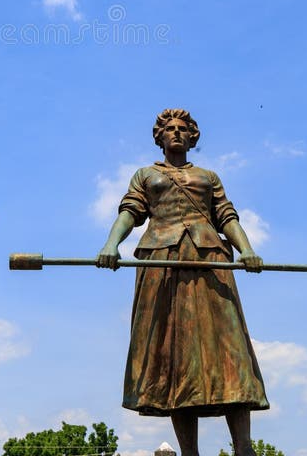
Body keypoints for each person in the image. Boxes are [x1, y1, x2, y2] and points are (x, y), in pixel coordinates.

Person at [97, 108, 269, 456]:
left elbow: (226, 215)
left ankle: (244, 447)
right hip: (163, 265)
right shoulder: (145, 175)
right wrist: (111, 244)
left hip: (209, 261)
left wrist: (247, 249)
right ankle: (189, 452)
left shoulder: (209, 176)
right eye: (169, 129)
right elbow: (130, 212)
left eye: (183, 129)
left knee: (230, 353)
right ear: (159, 137)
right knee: (176, 359)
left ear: (193, 137)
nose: (176, 133)